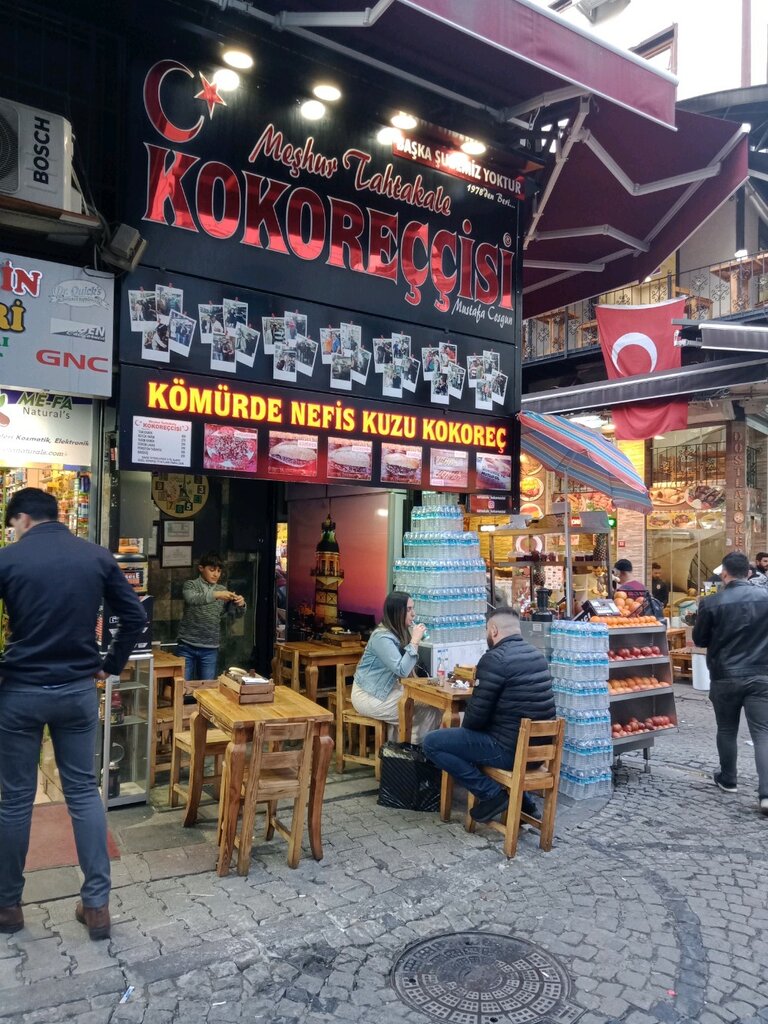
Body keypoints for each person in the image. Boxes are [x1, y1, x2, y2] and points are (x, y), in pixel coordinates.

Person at [0, 488, 146, 939]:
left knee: (14, 800)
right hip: (78, 691)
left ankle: (8, 907)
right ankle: (97, 905)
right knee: (84, 792)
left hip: (19, 693)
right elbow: (135, 618)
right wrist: (111, 664)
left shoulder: (7, 560)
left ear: (23, 518)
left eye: (11, 524)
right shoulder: (96, 557)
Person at [422, 608, 555, 823]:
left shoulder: (494, 659)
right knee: (470, 744)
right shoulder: (537, 656)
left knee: (433, 743)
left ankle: (492, 795)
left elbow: (474, 721)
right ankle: (524, 803)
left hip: (509, 753)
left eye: (486, 630)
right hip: (538, 754)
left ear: (493, 630)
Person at [692, 551, 768, 816]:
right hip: (761, 674)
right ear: (748, 573)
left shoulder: (712, 602)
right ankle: (766, 794)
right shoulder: (766, 598)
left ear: (724, 574)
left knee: (726, 729)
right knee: (763, 733)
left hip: (725, 675)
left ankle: (729, 778)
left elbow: (700, 640)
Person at [351, 592, 441, 742]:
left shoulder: (400, 633)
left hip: (387, 692)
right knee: (429, 712)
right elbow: (402, 670)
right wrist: (414, 642)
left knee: (433, 706)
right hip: (369, 696)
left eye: (413, 608)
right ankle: (410, 756)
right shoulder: (381, 637)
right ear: (397, 612)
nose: (414, 614)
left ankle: (404, 754)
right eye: (409, 609)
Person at [177, 552, 245, 680]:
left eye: (219, 571)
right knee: (182, 686)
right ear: (201, 568)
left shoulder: (221, 589)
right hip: (187, 645)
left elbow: (234, 614)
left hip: (210, 647)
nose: (215, 574)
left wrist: (240, 604)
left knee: (207, 689)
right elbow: (192, 599)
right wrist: (217, 594)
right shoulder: (191, 585)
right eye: (212, 570)